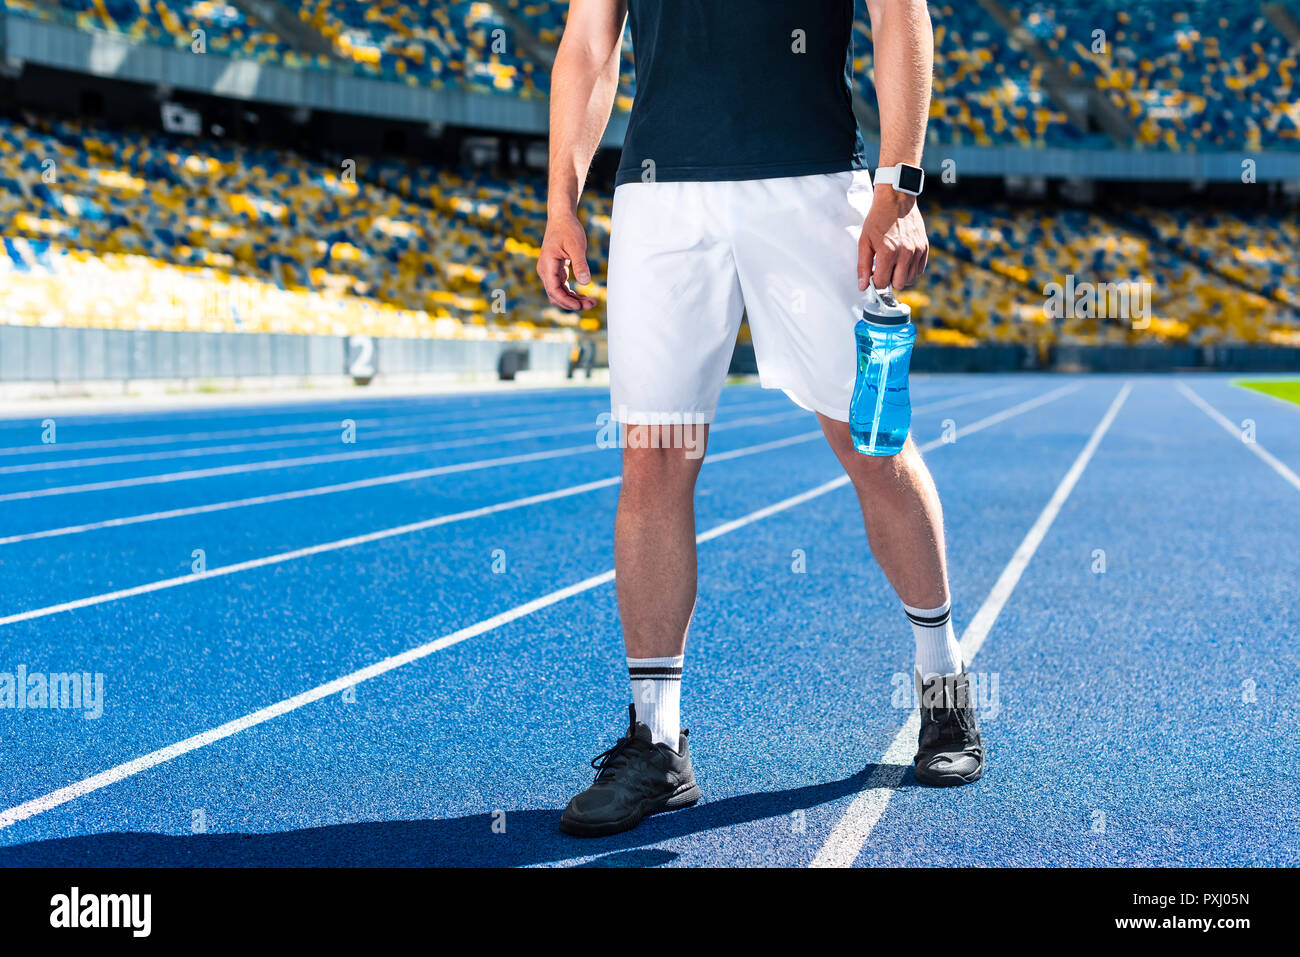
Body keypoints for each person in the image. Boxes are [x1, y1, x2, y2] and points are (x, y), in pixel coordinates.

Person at [537, 0, 982, 838]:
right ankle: (658, 742)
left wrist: (901, 180)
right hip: (663, 198)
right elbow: (590, 43)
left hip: (813, 185)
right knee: (656, 457)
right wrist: (562, 200)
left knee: (871, 443)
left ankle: (944, 685)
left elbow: (899, 15)